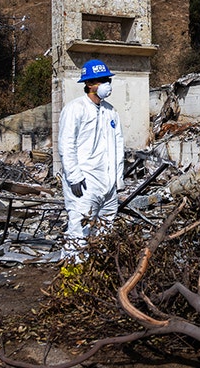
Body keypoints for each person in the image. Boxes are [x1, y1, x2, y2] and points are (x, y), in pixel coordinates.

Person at [57, 59, 125, 260]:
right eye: (100, 80)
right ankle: (73, 274)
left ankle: (98, 272)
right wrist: (75, 177)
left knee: (105, 231)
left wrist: (118, 180)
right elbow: (66, 145)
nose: (105, 84)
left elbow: (118, 146)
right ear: (88, 84)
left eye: (106, 79)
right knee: (80, 230)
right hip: (85, 183)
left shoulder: (110, 111)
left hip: (108, 184)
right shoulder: (75, 109)